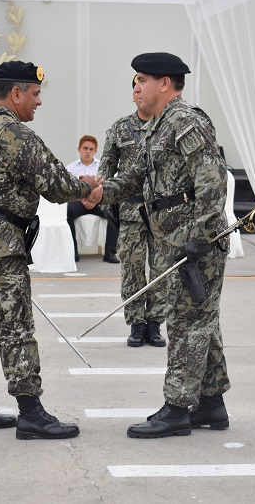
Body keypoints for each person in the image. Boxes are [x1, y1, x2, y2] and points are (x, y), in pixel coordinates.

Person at [0, 60, 101, 440]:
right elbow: (55, 184)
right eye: (35, 94)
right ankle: (31, 412)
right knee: (15, 327)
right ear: (16, 93)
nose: (39, 101)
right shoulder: (14, 133)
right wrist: (88, 187)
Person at [90, 52, 231, 438]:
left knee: (187, 322)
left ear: (164, 84)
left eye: (142, 79)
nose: (136, 86)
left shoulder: (185, 121)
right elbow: (135, 178)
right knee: (200, 319)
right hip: (172, 236)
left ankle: (177, 409)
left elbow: (212, 180)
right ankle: (211, 403)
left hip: (193, 242)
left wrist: (201, 236)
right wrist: (101, 192)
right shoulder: (158, 126)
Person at [98, 77, 167, 348]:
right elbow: (106, 167)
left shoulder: (166, 126)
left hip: (162, 212)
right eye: (135, 90)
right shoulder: (120, 128)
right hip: (130, 211)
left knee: (161, 269)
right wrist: (106, 204)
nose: (139, 93)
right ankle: (136, 323)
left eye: (143, 88)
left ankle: (155, 323)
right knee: (132, 269)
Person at [65, 135, 119, 263]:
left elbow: (110, 186)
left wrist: (95, 200)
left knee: (115, 212)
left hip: (99, 202)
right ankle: (73, 253)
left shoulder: (102, 167)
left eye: (91, 149)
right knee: (66, 212)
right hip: (79, 203)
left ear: (95, 151)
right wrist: (83, 200)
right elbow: (67, 189)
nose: (88, 151)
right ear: (79, 149)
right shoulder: (70, 169)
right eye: (85, 148)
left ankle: (110, 253)